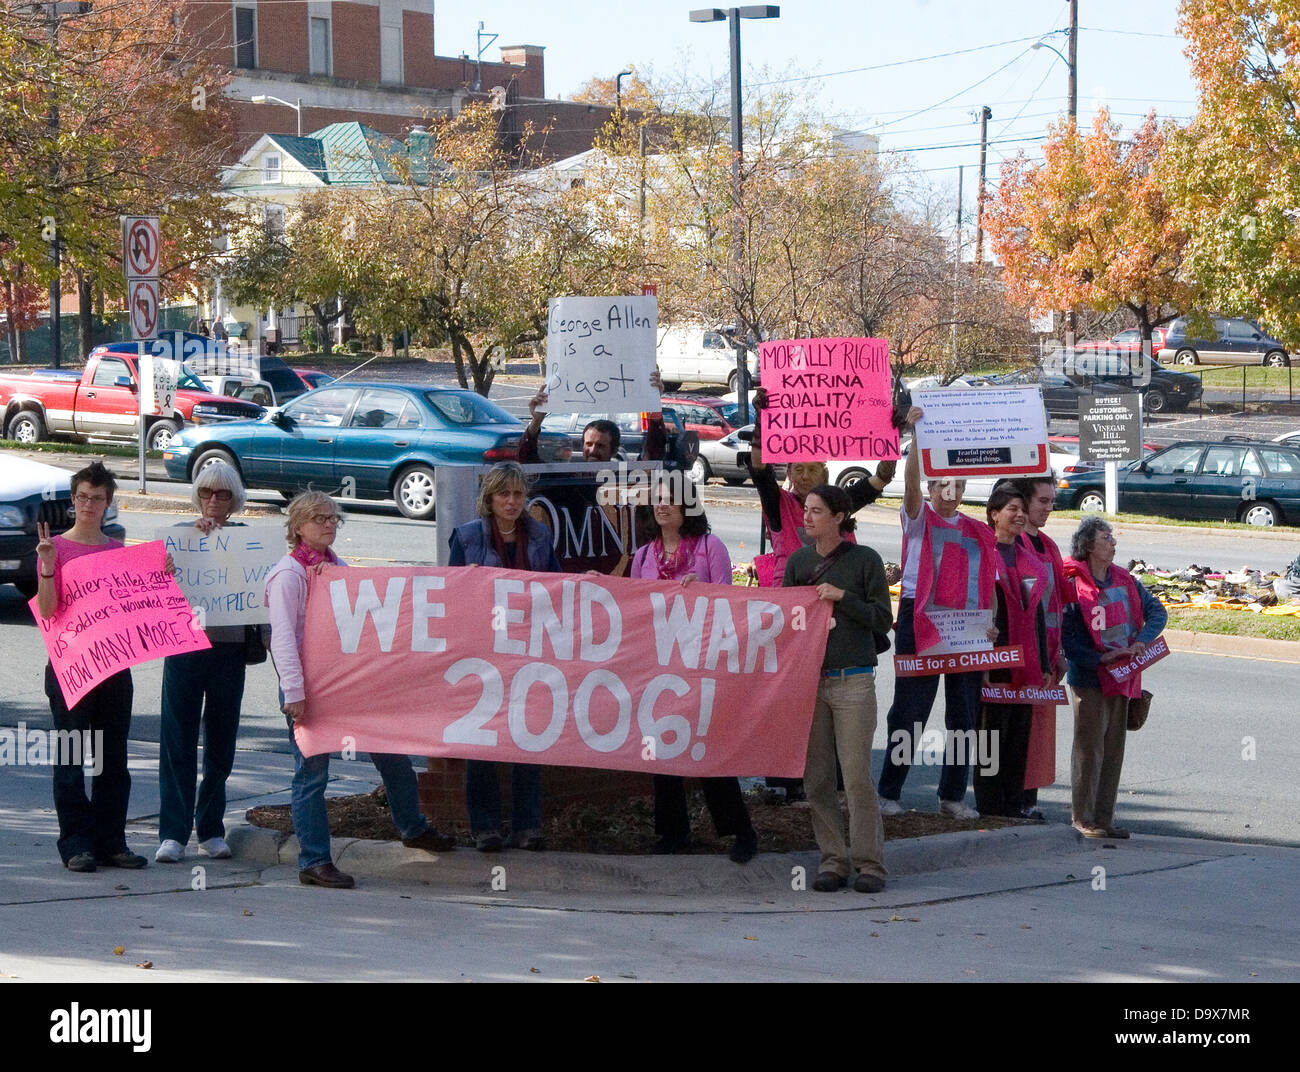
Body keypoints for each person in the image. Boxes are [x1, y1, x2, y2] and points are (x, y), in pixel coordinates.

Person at [266, 491, 455, 889]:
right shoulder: (289, 574)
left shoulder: (336, 567)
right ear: (297, 527)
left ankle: (412, 826)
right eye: (319, 518)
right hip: (311, 688)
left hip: (352, 684)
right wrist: (294, 692)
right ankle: (314, 860)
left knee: (393, 757)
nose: (329, 524)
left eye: (334, 518)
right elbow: (282, 638)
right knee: (312, 775)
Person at [628, 474, 759, 864]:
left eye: (670, 499)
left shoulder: (709, 547)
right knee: (663, 749)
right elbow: (634, 608)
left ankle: (741, 832)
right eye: (657, 500)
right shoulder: (643, 556)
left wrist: (701, 593)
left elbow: (729, 604)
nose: (662, 505)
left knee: (708, 747)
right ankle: (672, 833)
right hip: (661, 667)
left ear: (688, 506)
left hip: (702, 666)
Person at [877, 406, 996, 819]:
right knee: (911, 710)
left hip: (964, 626)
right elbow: (910, 486)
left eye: (958, 486)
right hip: (920, 619)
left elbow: (986, 582)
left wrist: (990, 623)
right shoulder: (919, 519)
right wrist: (916, 440)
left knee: (963, 714)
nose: (951, 492)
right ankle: (889, 792)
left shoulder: (978, 531)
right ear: (931, 488)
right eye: (943, 484)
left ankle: (952, 796)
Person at [35, 462, 148, 872]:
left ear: (107, 503)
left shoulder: (117, 553)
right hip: (70, 667)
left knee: (111, 759)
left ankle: (111, 842)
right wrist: (48, 565)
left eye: (96, 498)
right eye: (82, 496)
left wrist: (159, 578)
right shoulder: (56, 548)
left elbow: (137, 611)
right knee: (70, 757)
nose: (88, 504)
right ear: (73, 499)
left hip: (114, 669)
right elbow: (47, 611)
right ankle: (76, 844)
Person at [784, 483, 893, 893]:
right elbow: (786, 617)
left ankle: (870, 864)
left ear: (838, 516)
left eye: (815, 511)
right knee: (817, 779)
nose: (807, 517)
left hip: (854, 680)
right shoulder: (798, 562)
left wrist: (842, 597)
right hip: (812, 683)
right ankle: (832, 860)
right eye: (806, 509)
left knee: (857, 776)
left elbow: (883, 618)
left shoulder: (864, 560)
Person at [448, 463, 562, 852]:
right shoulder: (467, 537)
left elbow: (557, 587)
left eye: (518, 494)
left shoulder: (541, 535)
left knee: (526, 737)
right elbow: (450, 596)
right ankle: (486, 827)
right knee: (482, 740)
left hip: (529, 651)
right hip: (482, 652)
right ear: (490, 498)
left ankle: (528, 826)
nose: (512, 502)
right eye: (504, 495)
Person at [155, 460, 255, 863]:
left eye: (223, 494)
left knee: (221, 740)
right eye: (207, 493)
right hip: (183, 645)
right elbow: (155, 592)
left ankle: (211, 828)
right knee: (176, 738)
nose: (214, 500)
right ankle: (173, 833)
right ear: (197, 497)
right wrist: (166, 569)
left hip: (228, 649)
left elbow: (258, 590)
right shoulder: (178, 537)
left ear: (234, 500)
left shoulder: (248, 539)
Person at [1062, 516, 1166, 839]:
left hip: (1123, 676)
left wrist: (1142, 641)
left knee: (1112, 750)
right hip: (1090, 678)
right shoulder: (1072, 583)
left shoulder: (1126, 580)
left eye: (1112, 537)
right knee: (1089, 749)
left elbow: (1157, 612)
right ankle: (1083, 819)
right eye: (1107, 537)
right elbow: (1068, 638)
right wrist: (1098, 658)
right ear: (1089, 545)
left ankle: (1104, 819)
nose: (1113, 543)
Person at [973, 484, 1051, 817]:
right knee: (991, 737)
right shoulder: (979, 552)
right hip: (993, 660)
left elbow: (1038, 612)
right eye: (1011, 509)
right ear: (993, 514)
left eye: (1022, 508)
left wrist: (1045, 662)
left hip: (1026, 660)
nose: (1019, 515)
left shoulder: (1028, 556)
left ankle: (1012, 805)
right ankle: (990, 807)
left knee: (1019, 736)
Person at [1012, 476, 1073, 820]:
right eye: (1043, 502)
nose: (1049, 508)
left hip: (1048, 653)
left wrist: (1059, 651)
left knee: (1039, 733)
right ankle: (1011, 799)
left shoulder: (1047, 545)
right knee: (1016, 728)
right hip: (1021, 651)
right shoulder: (1013, 543)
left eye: (1052, 501)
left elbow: (1058, 602)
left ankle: (1029, 801)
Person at [517, 370, 668, 463]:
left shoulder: (623, 481)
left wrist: (653, 403)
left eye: (600, 445)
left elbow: (653, 455)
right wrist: (536, 422)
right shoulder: (568, 480)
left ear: (614, 450)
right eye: (588, 444)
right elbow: (528, 461)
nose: (593, 450)